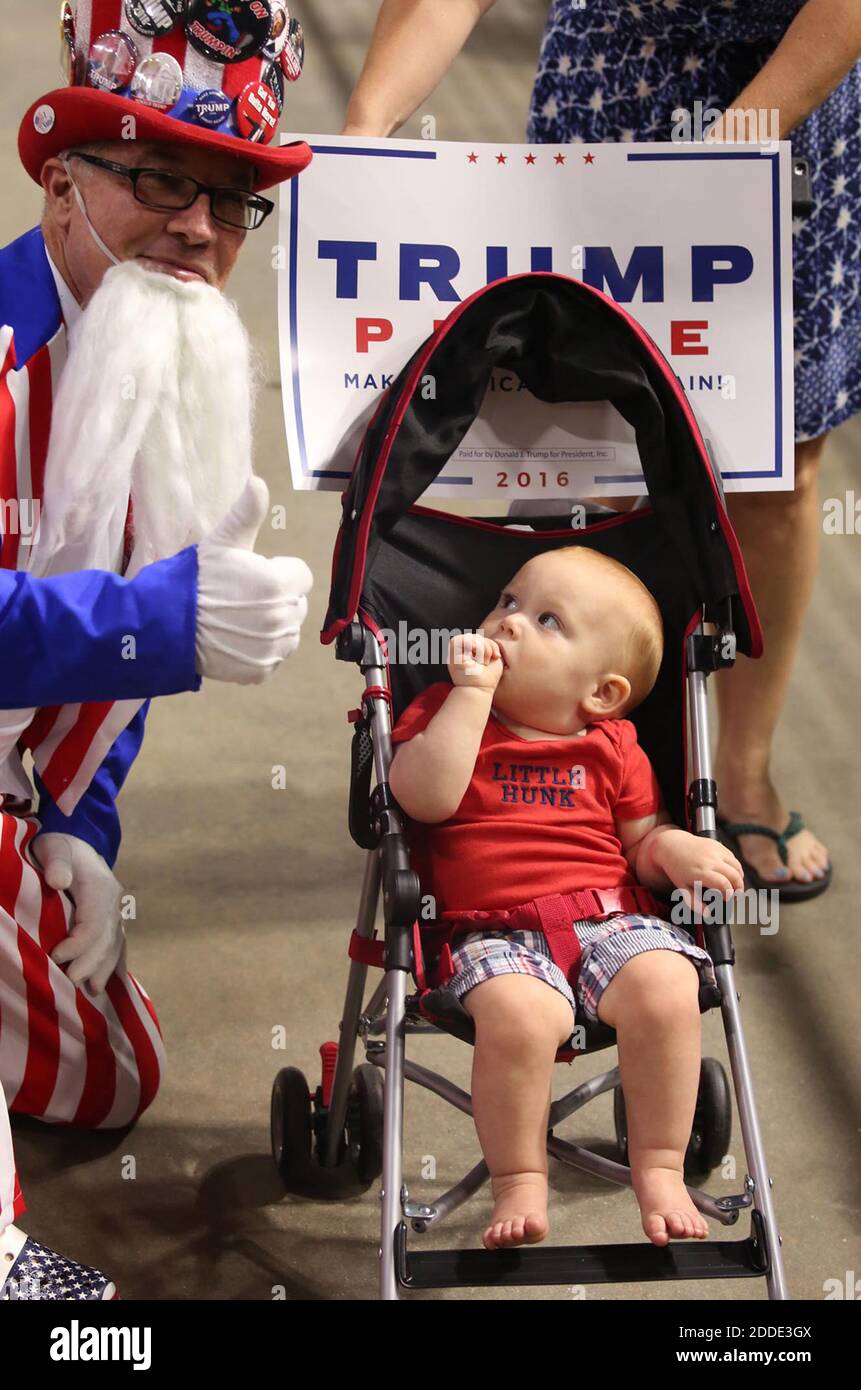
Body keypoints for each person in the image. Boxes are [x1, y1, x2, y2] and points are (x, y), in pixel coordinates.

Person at [344, 0, 861, 898]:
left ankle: (731, 768)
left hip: (784, 111)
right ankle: (524, 747)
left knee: (773, 459)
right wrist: (365, 128)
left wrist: (727, 149)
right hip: (613, 84)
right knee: (563, 431)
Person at [1, 0, 313, 1299]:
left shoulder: (144, 351)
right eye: (161, 181)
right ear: (64, 176)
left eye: (232, 200)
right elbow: (123, 617)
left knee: (114, 1075)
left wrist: (87, 823)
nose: (198, 228)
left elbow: (105, 681)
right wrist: (159, 622)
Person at [389, 547, 744, 1249]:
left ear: (602, 694)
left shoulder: (613, 746)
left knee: (670, 983)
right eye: (508, 601)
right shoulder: (446, 712)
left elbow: (639, 841)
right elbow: (422, 801)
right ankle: (519, 1178)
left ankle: (659, 1167)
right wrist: (467, 697)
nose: (508, 623)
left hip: (610, 920)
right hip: (489, 933)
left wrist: (674, 849)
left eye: (546, 621)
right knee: (522, 1015)